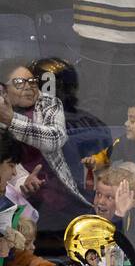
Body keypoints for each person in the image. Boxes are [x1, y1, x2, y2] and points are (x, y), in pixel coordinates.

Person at [1, 58, 93, 249]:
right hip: (17, 195)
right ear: (4, 90)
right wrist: (21, 183)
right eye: (19, 83)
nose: (29, 87)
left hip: (58, 190)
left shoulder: (49, 103)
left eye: (32, 81)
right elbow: (5, 157)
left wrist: (12, 120)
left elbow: (55, 139)